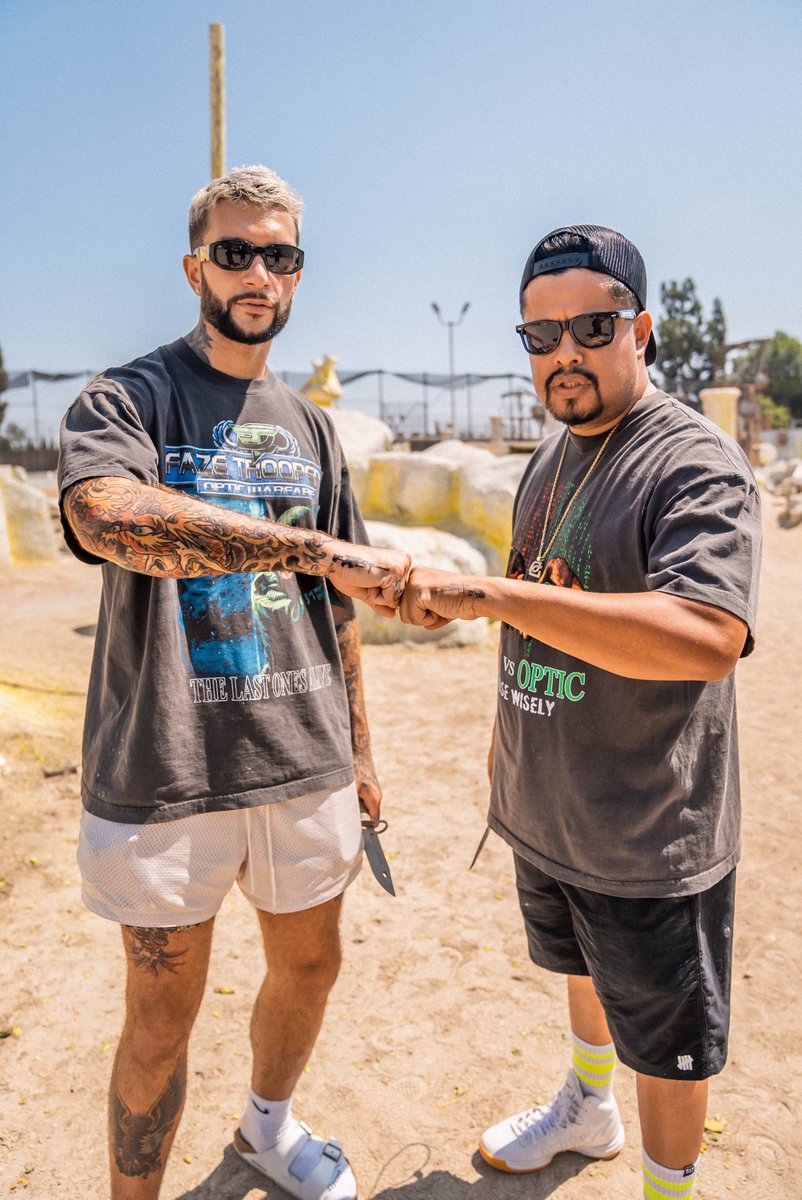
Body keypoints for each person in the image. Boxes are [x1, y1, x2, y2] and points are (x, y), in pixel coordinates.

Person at [58, 165, 410, 1200]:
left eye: (280, 255)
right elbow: (109, 517)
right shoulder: (125, 398)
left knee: (311, 965)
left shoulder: (313, 427)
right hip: (168, 763)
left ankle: (267, 1129)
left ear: (298, 272)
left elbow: (337, 604)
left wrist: (362, 750)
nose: (259, 272)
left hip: (303, 757)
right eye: (235, 252)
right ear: (194, 268)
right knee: (159, 1019)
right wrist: (303, 545)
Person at [400, 225, 761, 1199]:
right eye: (540, 335)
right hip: (550, 807)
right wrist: (505, 746)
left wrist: (491, 597)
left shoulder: (693, 461)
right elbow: (536, 617)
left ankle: (666, 1189)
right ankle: (587, 1109)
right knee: (581, 968)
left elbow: (707, 635)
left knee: (669, 1045)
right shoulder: (550, 457)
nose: (564, 352)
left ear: (639, 330)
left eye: (592, 327)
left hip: (649, 831)